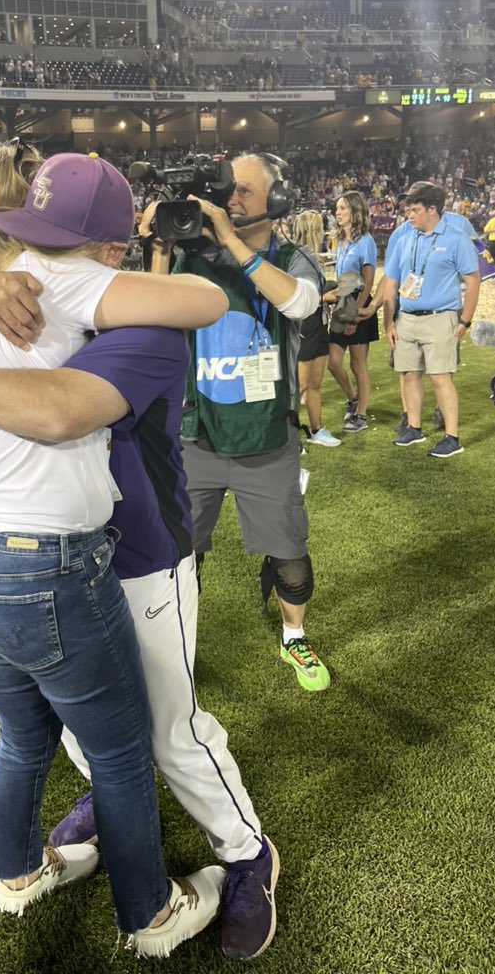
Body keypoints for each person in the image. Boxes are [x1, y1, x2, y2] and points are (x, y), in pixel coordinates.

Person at [0, 144, 228, 956]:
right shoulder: (77, 281)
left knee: (22, 736)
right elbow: (207, 297)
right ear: (113, 244)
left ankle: (15, 873)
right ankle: (149, 916)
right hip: (39, 564)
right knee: (121, 752)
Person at [141, 153, 331, 692]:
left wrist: (232, 241)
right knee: (179, 554)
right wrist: (159, 247)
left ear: (276, 199)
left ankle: (294, 636)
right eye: (227, 190)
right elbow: (153, 312)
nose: (231, 199)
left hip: (267, 437)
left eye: (244, 191)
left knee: (290, 556)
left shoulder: (292, 259)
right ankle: (177, 644)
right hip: (196, 437)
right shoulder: (190, 258)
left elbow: (299, 305)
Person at [383, 183, 480, 458]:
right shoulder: (404, 240)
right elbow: (391, 283)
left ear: (432, 210)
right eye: (407, 211)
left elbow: (472, 280)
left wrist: (465, 321)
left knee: (440, 378)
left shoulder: (455, 238)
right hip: (407, 318)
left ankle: (452, 437)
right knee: (410, 375)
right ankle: (414, 427)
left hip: (441, 317)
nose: (409, 216)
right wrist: (388, 322)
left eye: (414, 210)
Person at [327, 191, 377, 434]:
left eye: (343, 208)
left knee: (358, 365)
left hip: (357, 304)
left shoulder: (365, 241)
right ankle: (353, 397)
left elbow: (367, 282)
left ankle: (361, 415)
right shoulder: (341, 240)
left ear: (355, 212)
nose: (338, 213)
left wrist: (356, 315)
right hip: (341, 303)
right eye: (337, 208)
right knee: (333, 362)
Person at [292, 210, 340, 447]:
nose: (324, 231)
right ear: (314, 230)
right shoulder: (299, 256)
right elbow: (296, 296)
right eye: (321, 227)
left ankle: (316, 430)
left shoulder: (310, 256)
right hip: (305, 324)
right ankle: (289, 437)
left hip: (318, 322)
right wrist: (326, 297)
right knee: (298, 386)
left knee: (314, 384)